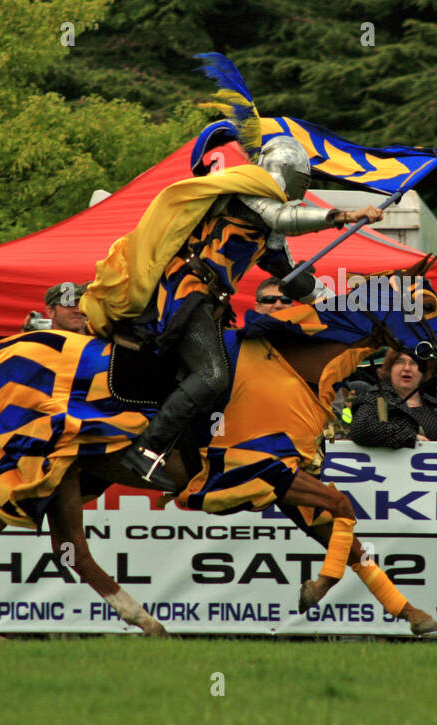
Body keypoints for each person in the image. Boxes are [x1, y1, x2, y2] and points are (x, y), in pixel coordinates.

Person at [80, 133, 384, 488]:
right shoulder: (248, 195)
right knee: (213, 375)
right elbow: (286, 218)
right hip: (187, 292)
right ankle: (147, 450)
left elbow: (296, 277)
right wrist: (346, 215)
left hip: (213, 304)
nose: (300, 186)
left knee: (231, 375)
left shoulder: (265, 226)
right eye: (299, 179)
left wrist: (344, 308)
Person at [348, 349, 437, 448]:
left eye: (414, 363)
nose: (407, 368)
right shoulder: (376, 398)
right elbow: (360, 428)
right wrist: (410, 437)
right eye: (400, 362)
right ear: (390, 368)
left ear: (423, 371)